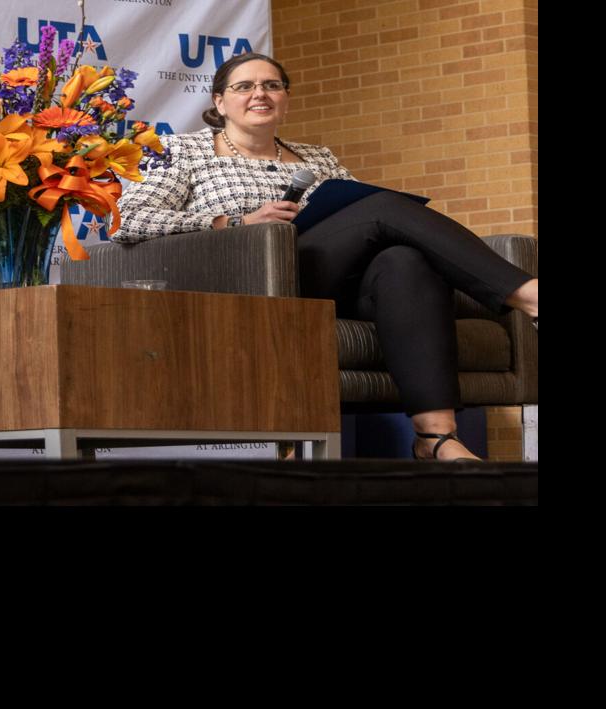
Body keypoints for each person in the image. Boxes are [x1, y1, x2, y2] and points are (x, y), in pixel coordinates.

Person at [113, 53, 540, 462]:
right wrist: (238, 221)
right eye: (245, 86)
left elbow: (359, 219)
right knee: (385, 207)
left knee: (404, 261)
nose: (260, 93)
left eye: (272, 85)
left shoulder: (318, 157)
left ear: (285, 99)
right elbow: (130, 220)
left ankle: (436, 438)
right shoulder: (183, 151)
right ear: (220, 102)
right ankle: (529, 295)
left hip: (335, 277)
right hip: (253, 277)